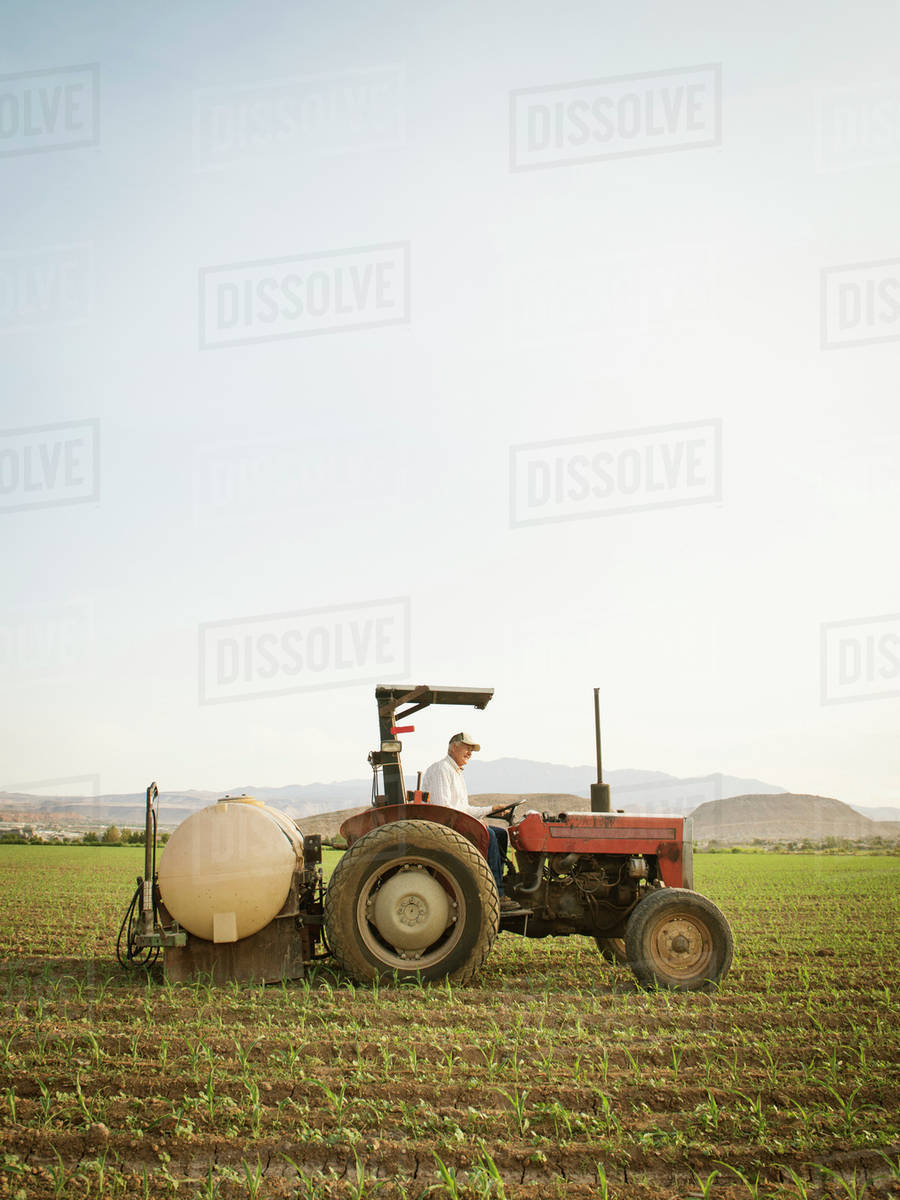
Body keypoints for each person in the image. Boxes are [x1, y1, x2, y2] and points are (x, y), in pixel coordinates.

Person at [421, 732, 519, 912]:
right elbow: (444, 809)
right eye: (467, 748)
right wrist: (477, 823)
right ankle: (495, 892)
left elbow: (463, 808)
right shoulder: (442, 769)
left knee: (500, 834)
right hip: (445, 826)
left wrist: (491, 809)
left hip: (455, 821)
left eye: (472, 750)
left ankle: (501, 882)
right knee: (487, 834)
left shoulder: (456, 773)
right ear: (454, 747)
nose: (470, 753)